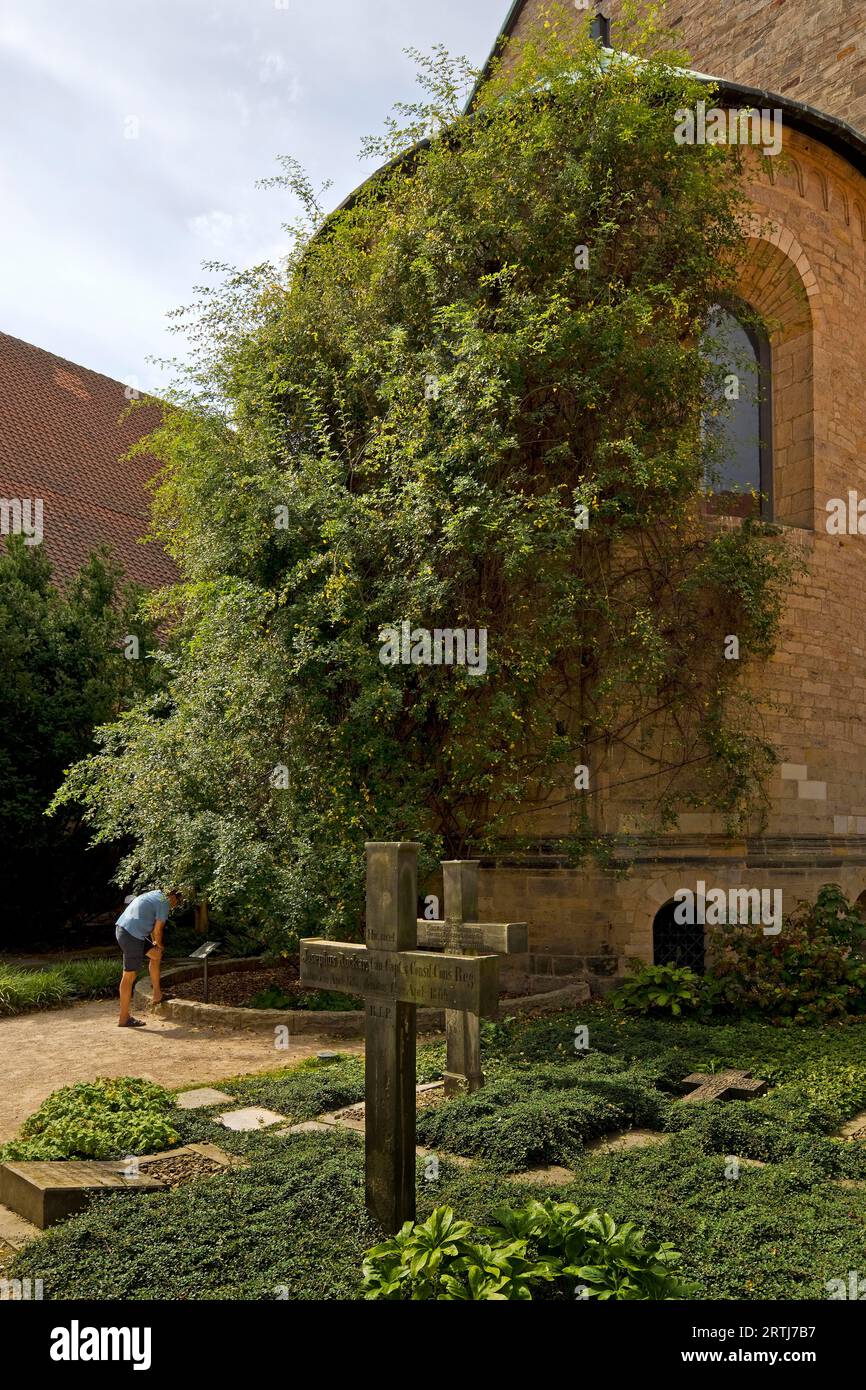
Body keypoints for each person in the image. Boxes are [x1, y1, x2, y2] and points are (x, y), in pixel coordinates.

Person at [115, 888, 181, 1027]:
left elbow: (151, 928)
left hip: (127, 930)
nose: (176, 905)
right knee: (129, 976)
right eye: (178, 901)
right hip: (131, 935)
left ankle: (157, 994)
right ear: (173, 897)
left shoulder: (155, 895)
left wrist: (156, 945)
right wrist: (160, 944)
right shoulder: (164, 902)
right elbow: (158, 930)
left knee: (156, 955)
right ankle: (124, 1018)